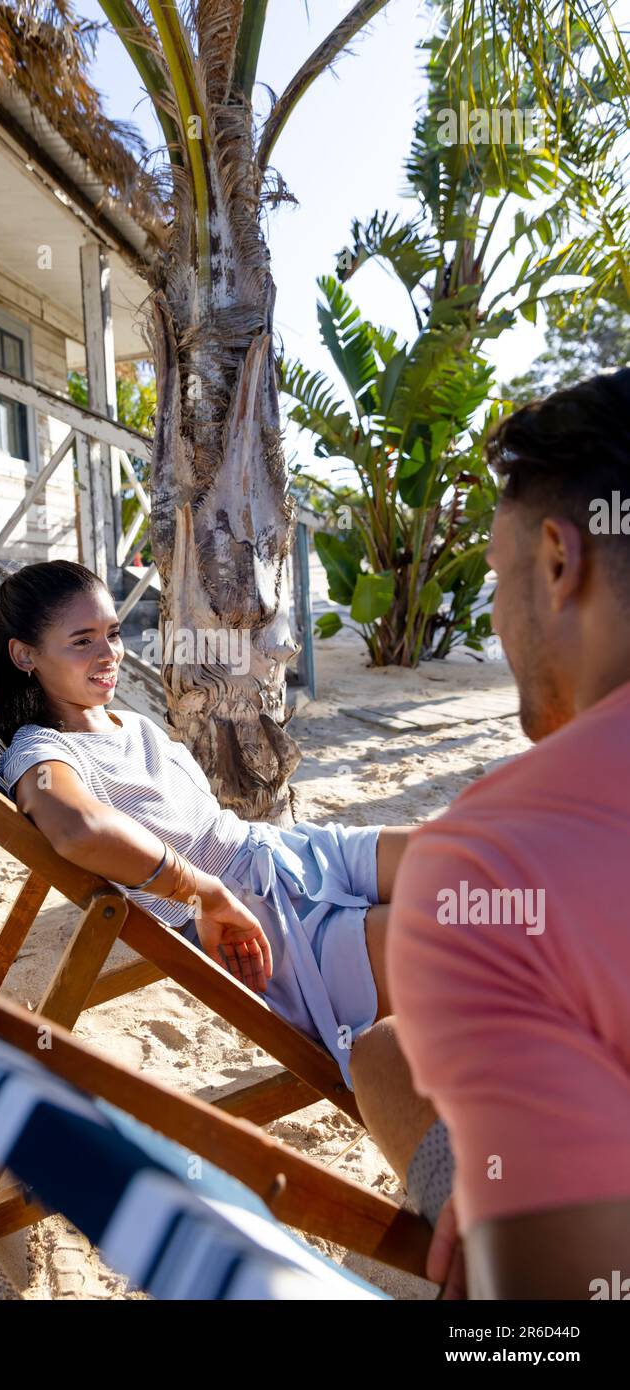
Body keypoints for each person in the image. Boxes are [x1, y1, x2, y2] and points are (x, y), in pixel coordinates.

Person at [372, 369, 630, 1298]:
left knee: (383, 1052)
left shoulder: (490, 862)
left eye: (495, 573)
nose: (493, 616)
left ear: (559, 562)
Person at [0, 559, 410, 1092]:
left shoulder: (127, 721)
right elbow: (79, 830)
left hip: (286, 854)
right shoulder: (44, 751)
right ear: (25, 654)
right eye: (82, 641)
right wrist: (203, 894)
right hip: (260, 922)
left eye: (113, 634)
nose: (109, 654)